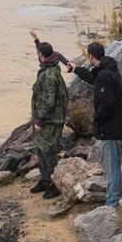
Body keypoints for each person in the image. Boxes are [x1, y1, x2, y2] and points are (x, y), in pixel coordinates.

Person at [66, 42, 122, 207]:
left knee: (111, 168)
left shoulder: (104, 75)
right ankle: (113, 200)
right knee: (113, 166)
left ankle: (111, 204)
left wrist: (96, 118)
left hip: (112, 129)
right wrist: (76, 69)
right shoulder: (109, 69)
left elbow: (108, 104)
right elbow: (92, 78)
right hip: (119, 126)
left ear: (90, 56)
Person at [27, 30, 70, 199]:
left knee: (49, 152)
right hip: (45, 119)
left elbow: (49, 101)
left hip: (50, 120)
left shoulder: (51, 75)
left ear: (41, 56)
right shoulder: (51, 59)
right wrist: (37, 41)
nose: (38, 55)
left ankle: (55, 185)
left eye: (38, 53)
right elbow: (48, 52)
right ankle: (45, 180)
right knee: (40, 149)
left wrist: (39, 120)